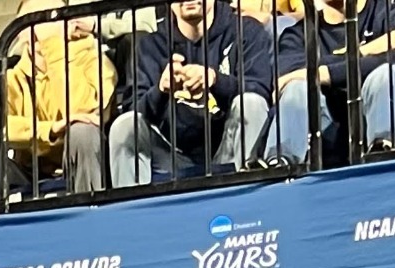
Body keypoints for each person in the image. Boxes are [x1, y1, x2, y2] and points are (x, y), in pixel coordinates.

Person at [0, 0, 111, 202]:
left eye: (46, 21)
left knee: (82, 131)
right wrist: (49, 129)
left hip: (82, 161)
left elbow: (84, 111)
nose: (37, 31)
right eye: (28, 24)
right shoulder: (12, 78)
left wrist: (56, 51)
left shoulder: (94, 61)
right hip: (29, 169)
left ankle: (90, 215)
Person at [108, 0, 275, 186]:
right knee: (124, 125)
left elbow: (259, 89)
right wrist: (161, 91)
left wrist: (214, 80)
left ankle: (247, 195)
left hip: (228, 147)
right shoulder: (150, 46)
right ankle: (135, 212)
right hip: (170, 155)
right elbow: (133, 108)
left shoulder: (246, 31)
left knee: (251, 103)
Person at [263, 0, 395, 162]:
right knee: (295, 88)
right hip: (324, 125)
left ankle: (384, 150)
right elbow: (286, 78)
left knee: (387, 73)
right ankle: (281, 163)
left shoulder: (393, 12)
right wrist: (364, 51)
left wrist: (322, 73)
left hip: (371, 113)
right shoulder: (298, 34)